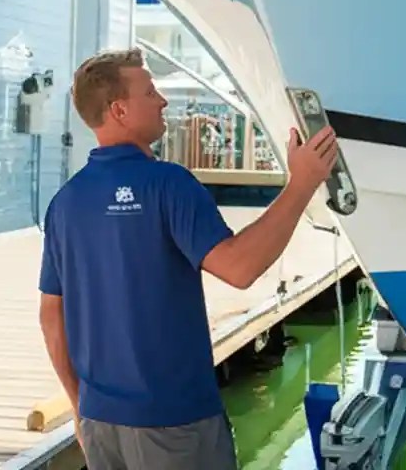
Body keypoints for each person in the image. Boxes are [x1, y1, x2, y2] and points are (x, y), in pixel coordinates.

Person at [37, 48, 339, 470]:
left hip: (101, 424)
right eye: (150, 91)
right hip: (174, 423)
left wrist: (79, 408)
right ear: (119, 109)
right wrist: (302, 183)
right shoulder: (169, 185)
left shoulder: (64, 204)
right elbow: (239, 268)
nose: (162, 101)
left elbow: (52, 315)